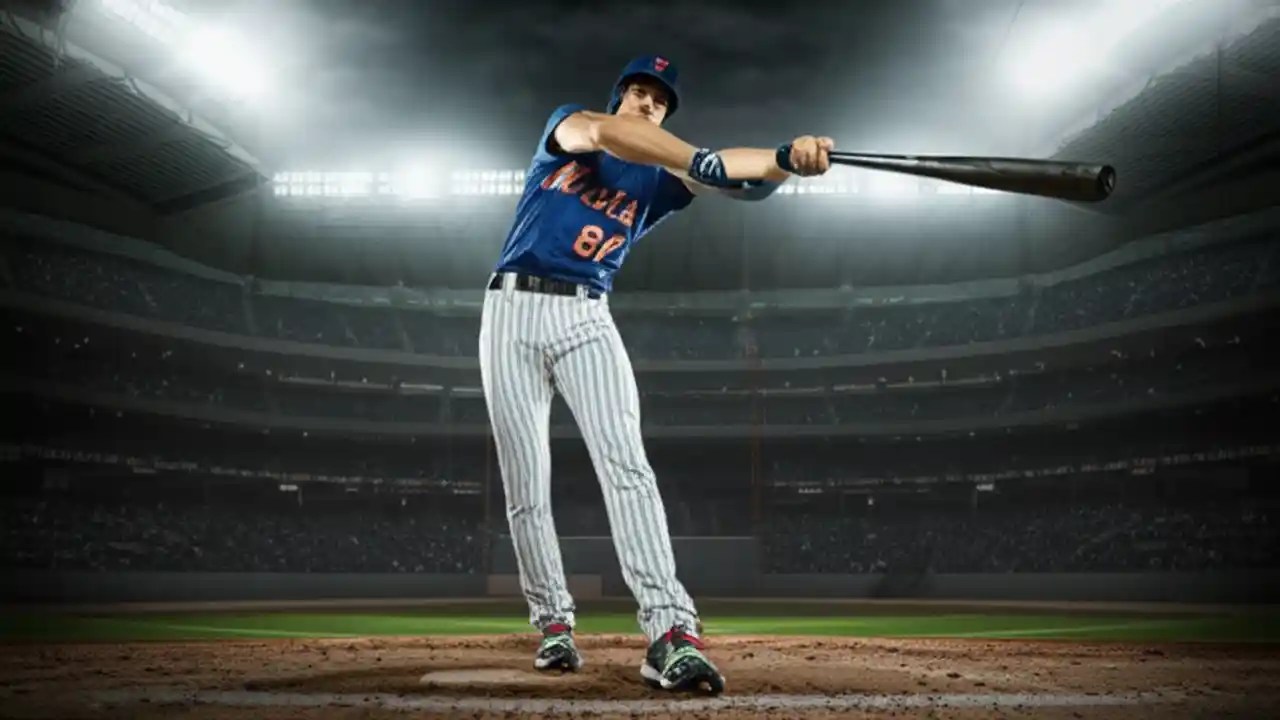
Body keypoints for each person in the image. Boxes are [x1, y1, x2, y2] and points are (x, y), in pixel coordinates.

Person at [478, 54, 833, 695]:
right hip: (511, 309)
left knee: (629, 466)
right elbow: (619, 137)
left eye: (658, 99)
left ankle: (670, 631)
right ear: (619, 98)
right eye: (637, 92)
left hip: (588, 314)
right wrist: (698, 159)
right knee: (525, 478)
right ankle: (553, 621)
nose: (645, 102)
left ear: (667, 112)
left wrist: (788, 159)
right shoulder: (574, 126)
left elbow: (735, 174)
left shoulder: (664, 180)